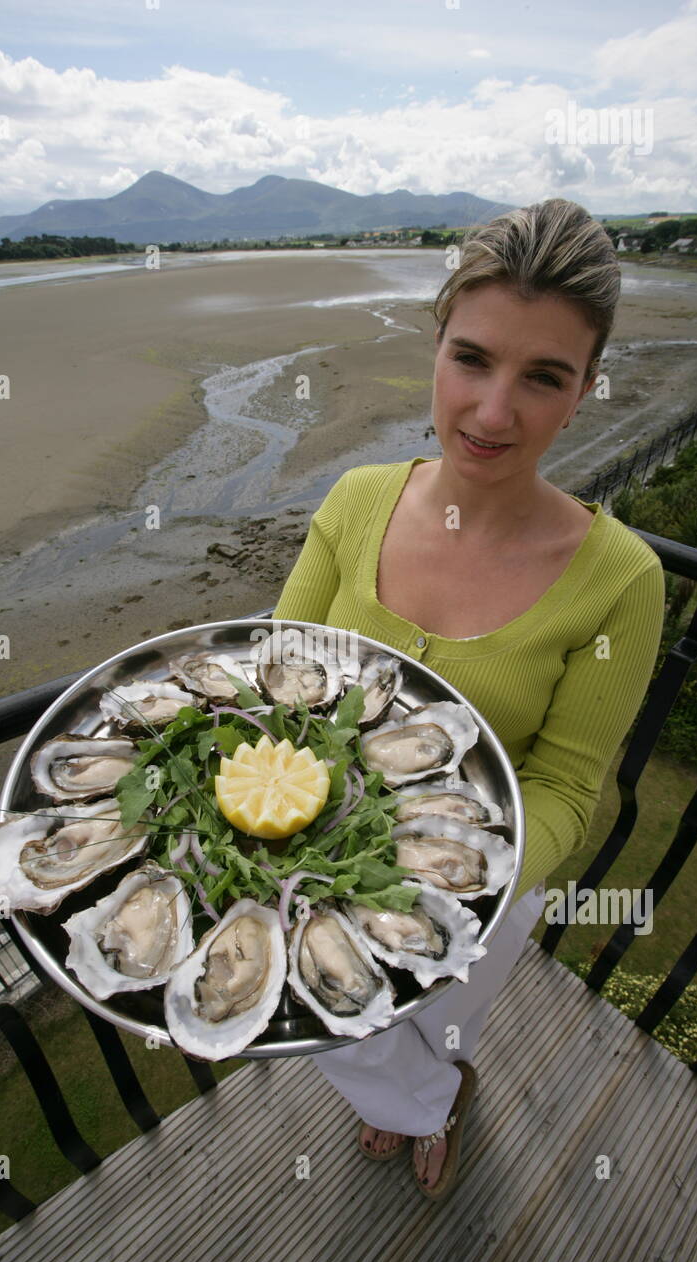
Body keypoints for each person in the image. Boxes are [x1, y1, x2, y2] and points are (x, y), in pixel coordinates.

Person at [269, 197, 665, 1199]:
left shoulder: (619, 576)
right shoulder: (354, 500)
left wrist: (449, 887)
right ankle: (413, 1102)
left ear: (581, 392)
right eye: (472, 360)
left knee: (435, 1020)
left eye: (543, 377)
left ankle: (430, 1090)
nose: (493, 413)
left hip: (480, 884)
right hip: (309, 855)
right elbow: (274, 684)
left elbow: (569, 787)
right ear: (434, 350)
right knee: (319, 1013)